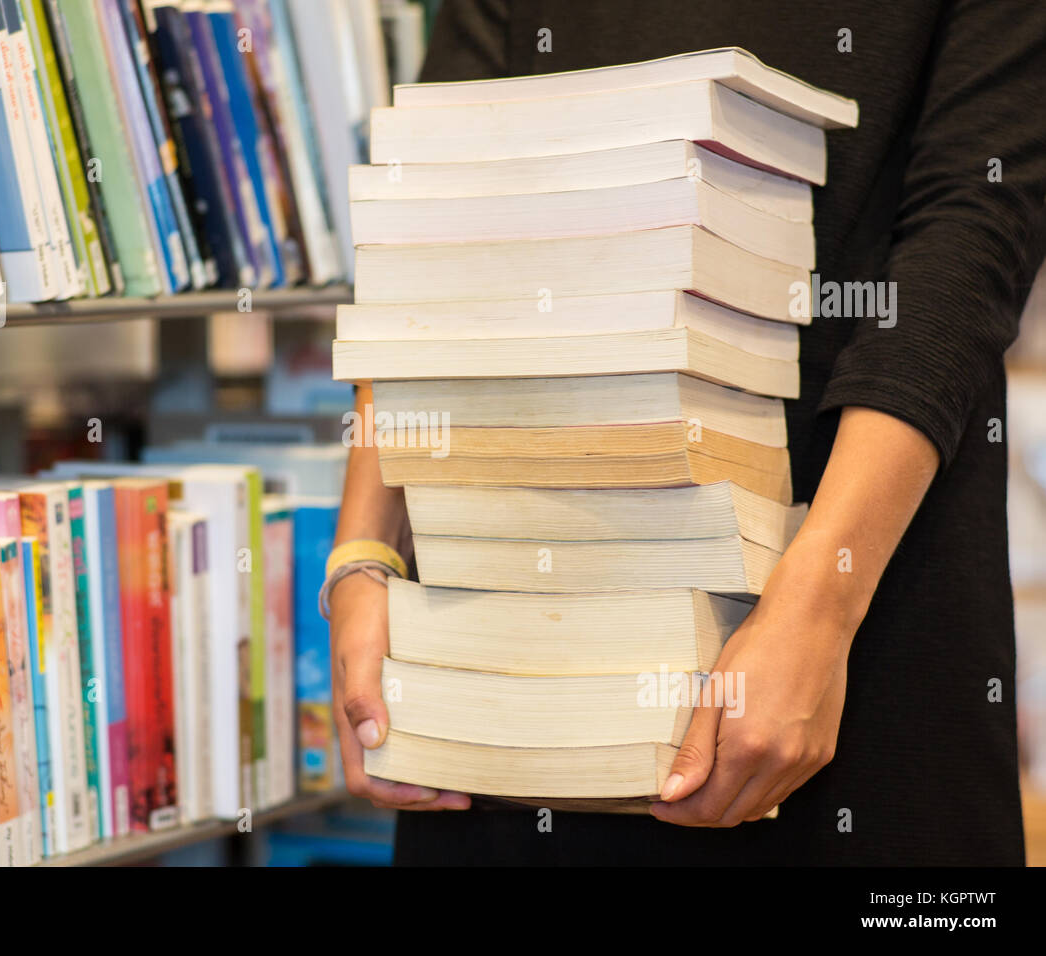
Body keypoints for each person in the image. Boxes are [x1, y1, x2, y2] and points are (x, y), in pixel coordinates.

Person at [324, 0, 1046, 865]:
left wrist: (818, 609)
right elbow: (440, 217)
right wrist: (363, 558)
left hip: (862, 590)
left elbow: (970, 236)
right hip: (510, 623)